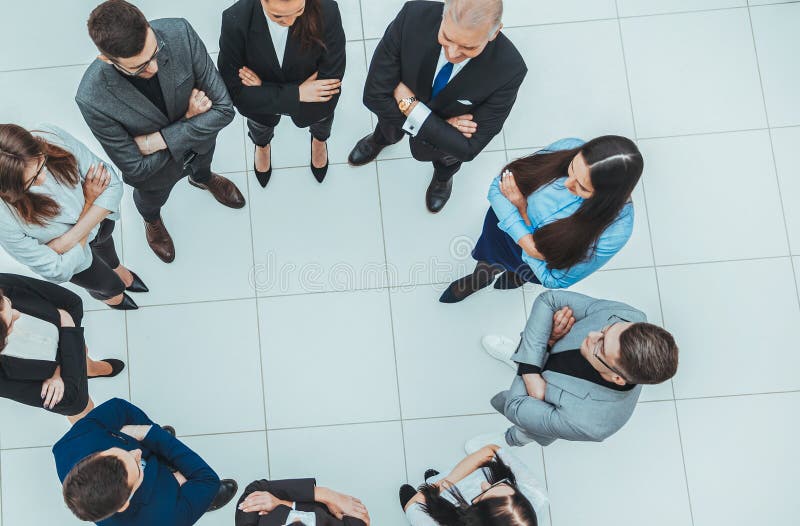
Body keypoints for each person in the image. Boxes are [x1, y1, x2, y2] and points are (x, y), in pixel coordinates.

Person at [77, 0, 246, 264]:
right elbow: (136, 168)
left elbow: (224, 110)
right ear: (107, 60)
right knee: (151, 202)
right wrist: (191, 118)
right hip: (156, 176)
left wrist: (158, 140)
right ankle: (152, 221)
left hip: (201, 147)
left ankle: (203, 178)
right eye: (140, 67)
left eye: (155, 53)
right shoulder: (92, 98)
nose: (154, 67)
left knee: (203, 167)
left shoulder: (180, 33)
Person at [348, 0, 527, 213]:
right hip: (397, 118)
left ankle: (442, 178)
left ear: (495, 32)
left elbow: (468, 148)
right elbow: (374, 96)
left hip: (440, 148)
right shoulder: (413, 16)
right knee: (387, 129)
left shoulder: (510, 70)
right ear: (443, 15)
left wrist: (413, 108)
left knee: (449, 160)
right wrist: (440, 127)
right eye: (447, 38)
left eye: (468, 47)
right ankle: (380, 140)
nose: (452, 53)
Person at [439, 136, 642, 303]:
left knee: (520, 273)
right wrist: (529, 243)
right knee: (488, 261)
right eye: (571, 169)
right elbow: (497, 188)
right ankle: (480, 278)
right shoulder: (569, 147)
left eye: (582, 187)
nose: (567, 184)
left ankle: (515, 277)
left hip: (533, 261)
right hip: (507, 233)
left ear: (608, 196)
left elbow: (554, 280)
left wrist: (522, 212)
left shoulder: (616, 231)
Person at [467, 291, 679, 449]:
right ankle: (522, 359)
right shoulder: (628, 316)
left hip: (547, 418)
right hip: (540, 364)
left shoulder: (592, 423)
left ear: (617, 377)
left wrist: (539, 350)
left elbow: (515, 406)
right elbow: (549, 300)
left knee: (528, 430)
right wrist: (531, 367)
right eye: (606, 330)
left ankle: (508, 440)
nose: (592, 335)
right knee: (530, 356)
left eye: (601, 346)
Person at [0, 124, 147, 310]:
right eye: (30, 182)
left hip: (96, 230)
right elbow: (56, 270)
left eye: (40, 164)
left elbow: (113, 185)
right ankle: (113, 298)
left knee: (108, 250)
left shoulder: (49, 136)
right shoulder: (3, 220)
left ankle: (119, 270)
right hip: (79, 258)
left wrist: (63, 243)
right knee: (107, 285)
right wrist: (89, 203)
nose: (42, 179)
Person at [219, 0, 346, 187]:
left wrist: (263, 88)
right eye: (277, 16)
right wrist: (297, 94)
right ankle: (262, 145)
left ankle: (319, 140)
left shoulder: (327, 10)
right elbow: (236, 92)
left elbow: (330, 83)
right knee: (260, 127)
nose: (290, 22)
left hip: (312, 107)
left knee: (322, 121)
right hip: (267, 111)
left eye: (299, 11)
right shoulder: (235, 19)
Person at [53, 398, 238, 526]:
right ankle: (200, 501)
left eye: (119, 450)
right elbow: (208, 480)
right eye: (137, 468)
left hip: (155, 481)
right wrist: (150, 433)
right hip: (171, 493)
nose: (136, 451)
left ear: (91, 458)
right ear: (124, 503)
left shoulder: (66, 447)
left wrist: (146, 437)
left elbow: (120, 408)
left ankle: (163, 456)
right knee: (203, 490)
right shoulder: (166, 520)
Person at [0, 273, 124, 423]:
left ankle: (90, 368)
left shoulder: (2, 284)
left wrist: (57, 369)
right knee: (84, 409)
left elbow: (72, 303)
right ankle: (87, 368)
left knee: (81, 351)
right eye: (11, 323)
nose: (18, 314)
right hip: (63, 340)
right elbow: (70, 400)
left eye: (7, 302)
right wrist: (65, 321)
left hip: (61, 345)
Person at [399, 443, 546, 525]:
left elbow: (413, 506)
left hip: (437, 507)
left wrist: (437, 490)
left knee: (408, 496)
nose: (485, 484)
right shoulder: (536, 494)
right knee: (434, 480)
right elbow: (492, 451)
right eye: (503, 484)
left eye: (483, 495)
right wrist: (446, 481)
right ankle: (435, 479)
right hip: (454, 483)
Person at [236, 477, 370, 525]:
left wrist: (281, 505)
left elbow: (255, 489)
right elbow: (361, 519)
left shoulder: (249, 522)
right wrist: (327, 495)